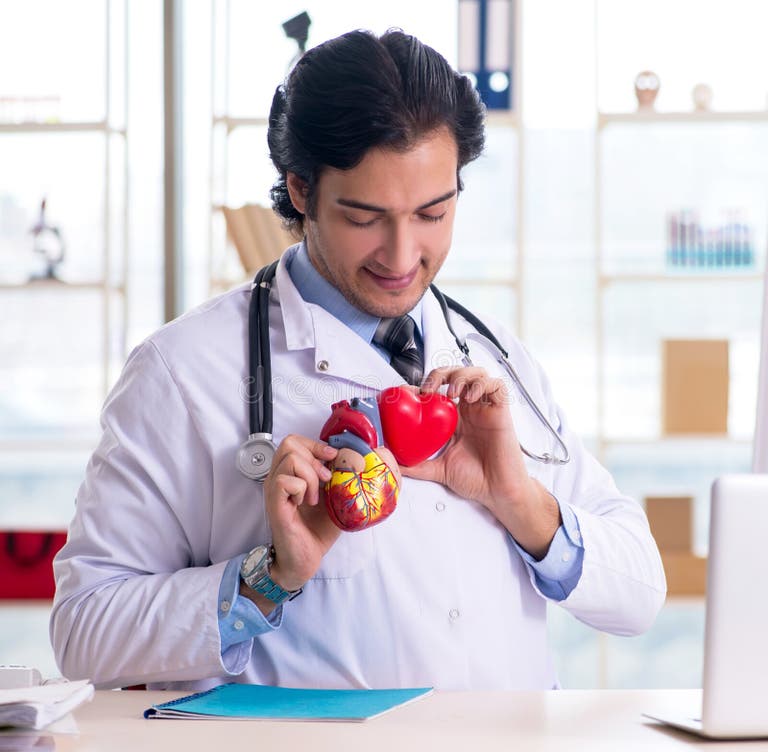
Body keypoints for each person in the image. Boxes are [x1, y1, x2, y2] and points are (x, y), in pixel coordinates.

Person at [50, 29, 666, 691]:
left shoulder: (495, 356)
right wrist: (269, 578)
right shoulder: (183, 372)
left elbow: (638, 595)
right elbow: (85, 634)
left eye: (433, 213)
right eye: (365, 218)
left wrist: (517, 500)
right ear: (301, 190)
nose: (402, 257)